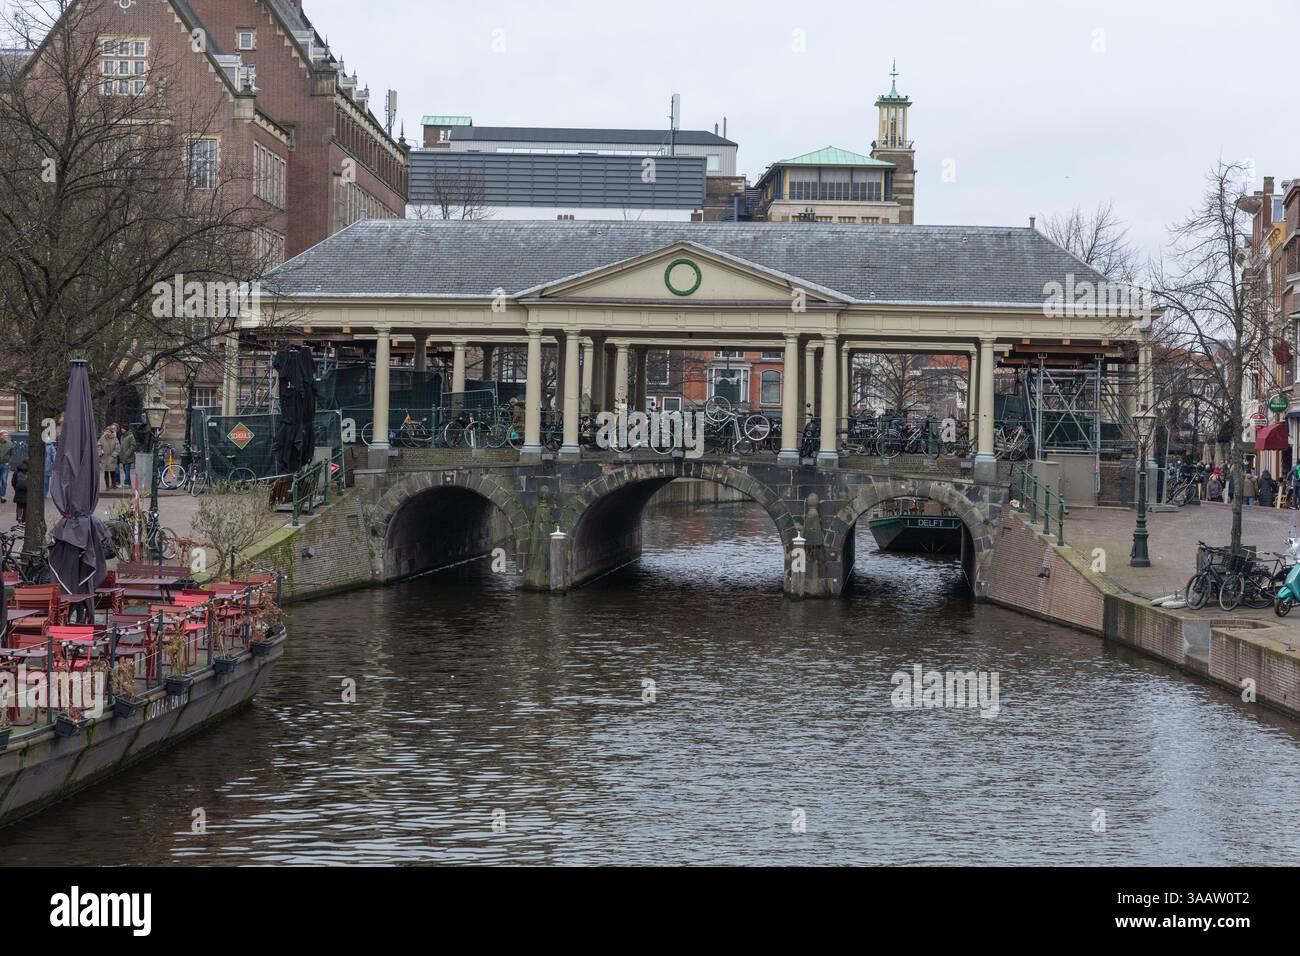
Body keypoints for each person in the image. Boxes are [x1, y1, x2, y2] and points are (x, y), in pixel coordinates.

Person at [98, 425, 119, 491]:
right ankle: (107, 486)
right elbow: (98, 446)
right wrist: (100, 453)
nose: (107, 433)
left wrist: (113, 456)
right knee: (106, 473)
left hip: (112, 458)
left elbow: (117, 449)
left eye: (108, 431)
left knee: (112, 473)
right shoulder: (102, 438)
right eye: (106, 431)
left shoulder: (115, 439)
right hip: (104, 458)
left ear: (111, 432)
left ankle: (113, 485)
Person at [118, 424, 136, 490]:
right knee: (125, 470)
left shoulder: (131, 436)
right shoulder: (122, 437)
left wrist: (128, 453)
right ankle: (129, 484)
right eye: (121, 428)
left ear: (126, 429)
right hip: (123, 456)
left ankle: (126, 483)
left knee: (127, 469)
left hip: (128, 456)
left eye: (123, 428)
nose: (121, 430)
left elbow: (133, 445)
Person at [11, 454, 28, 523]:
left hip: (18, 492)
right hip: (27, 492)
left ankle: (19, 518)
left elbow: (13, 482)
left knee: (19, 505)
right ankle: (25, 519)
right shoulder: (31, 471)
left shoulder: (17, 471)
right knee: (26, 506)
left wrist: (16, 489)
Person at [0, 429, 12, 505]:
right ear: (0, 436)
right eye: (5, 435)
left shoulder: (10, 444)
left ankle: (2, 496)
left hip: (5, 465)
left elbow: (12, 454)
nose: (6, 437)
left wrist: (9, 462)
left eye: (7, 436)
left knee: (4, 480)